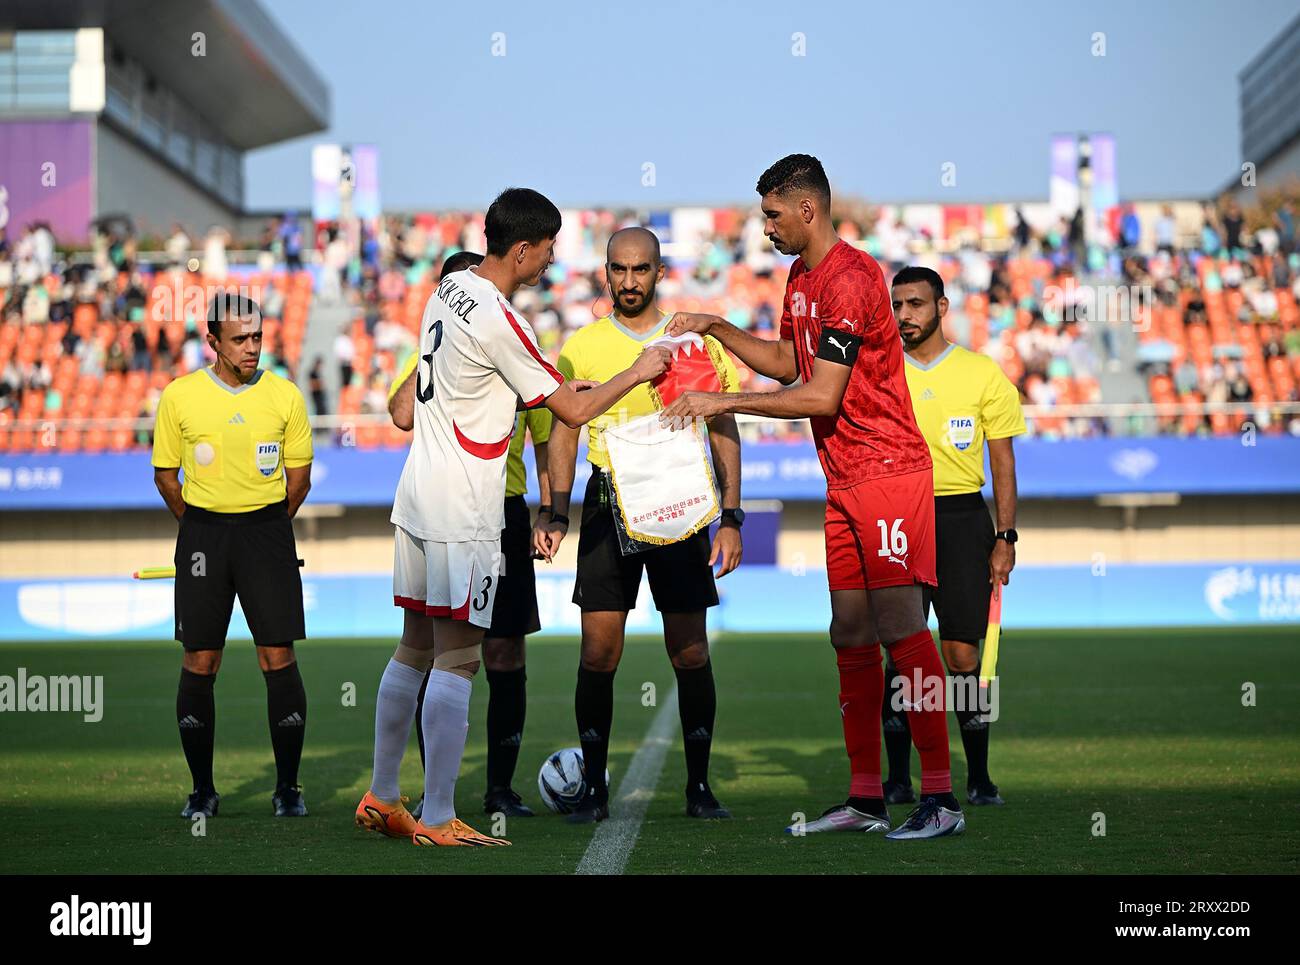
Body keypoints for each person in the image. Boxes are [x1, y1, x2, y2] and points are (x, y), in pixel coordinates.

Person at [353, 188, 669, 847]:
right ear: (522, 249)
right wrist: (639, 371)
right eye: (549, 247)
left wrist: (573, 385)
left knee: (413, 644)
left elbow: (544, 389)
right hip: (466, 509)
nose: (553, 259)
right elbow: (571, 413)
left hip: (416, 495)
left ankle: (383, 795)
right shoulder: (500, 317)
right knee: (461, 658)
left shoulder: (452, 287)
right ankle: (438, 815)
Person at [660, 154, 964, 839]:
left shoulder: (853, 279)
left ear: (807, 210)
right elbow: (790, 362)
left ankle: (942, 797)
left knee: (901, 628)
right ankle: (864, 798)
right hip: (846, 477)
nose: (763, 226)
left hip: (888, 471)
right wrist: (716, 327)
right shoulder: (801, 278)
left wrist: (719, 397)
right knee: (850, 632)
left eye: (771, 214)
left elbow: (820, 394)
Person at [536, 227, 743, 824]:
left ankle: (699, 788)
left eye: (641, 269)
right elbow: (565, 430)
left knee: (689, 651)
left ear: (659, 271)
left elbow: (722, 426)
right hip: (608, 502)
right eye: (619, 270)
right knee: (599, 653)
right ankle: (596, 792)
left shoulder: (694, 342)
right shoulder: (582, 346)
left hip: (681, 501)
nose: (630, 281)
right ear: (606, 272)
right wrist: (555, 509)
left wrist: (730, 516)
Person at [387, 250, 550, 819]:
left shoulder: (501, 338)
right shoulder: (464, 331)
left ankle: (494, 788)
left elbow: (549, 430)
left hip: (501, 510)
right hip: (465, 512)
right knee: (449, 657)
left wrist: (551, 510)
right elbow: (401, 412)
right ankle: (437, 807)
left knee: (501, 651)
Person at [150, 293, 313, 820]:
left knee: (278, 657)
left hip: (268, 532)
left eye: (257, 337)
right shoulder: (179, 396)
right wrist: (202, 529)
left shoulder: (285, 395)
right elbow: (165, 476)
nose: (251, 348)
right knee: (201, 660)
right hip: (203, 536)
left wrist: (260, 531)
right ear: (213, 341)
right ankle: (202, 791)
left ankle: (288, 788)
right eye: (239, 339)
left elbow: (300, 479)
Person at [887, 266, 1025, 807]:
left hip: (962, 520)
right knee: (901, 654)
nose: (905, 316)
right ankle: (898, 779)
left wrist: (1005, 536)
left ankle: (979, 775)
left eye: (916, 304)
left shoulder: (982, 373)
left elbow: (1004, 463)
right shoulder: (881, 372)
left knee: (963, 655)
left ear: (942, 308)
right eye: (898, 305)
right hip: (897, 518)